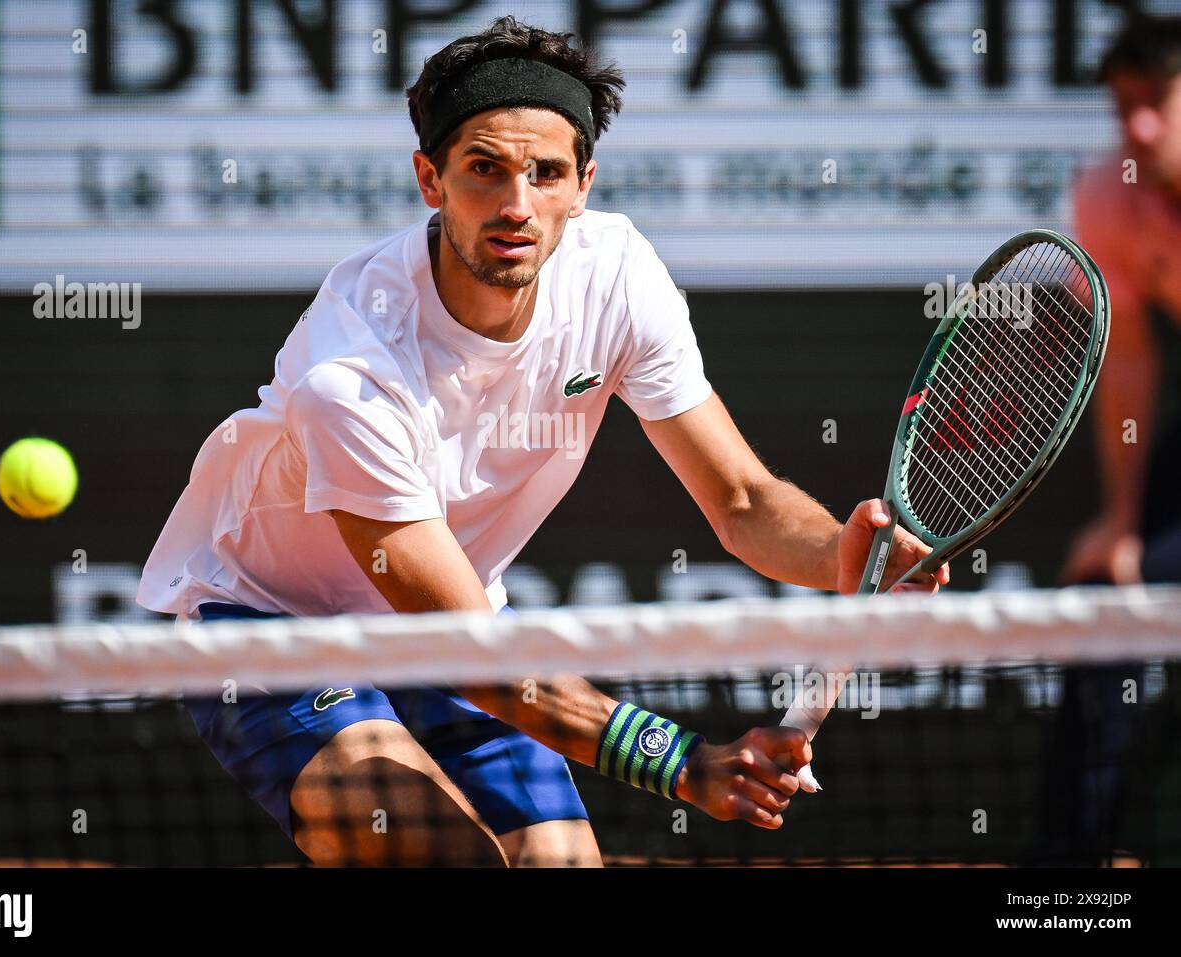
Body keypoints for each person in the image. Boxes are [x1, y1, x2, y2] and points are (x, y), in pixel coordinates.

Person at [137, 15, 945, 867]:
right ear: (430, 179)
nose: (516, 205)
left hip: (457, 625)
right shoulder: (350, 371)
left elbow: (741, 499)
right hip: (274, 629)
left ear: (582, 184)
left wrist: (840, 555)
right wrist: (687, 764)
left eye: (546, 173)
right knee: (441, 855)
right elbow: (475, 657)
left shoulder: (618, 276)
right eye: (484, 170)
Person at [1046, 13, 1181, 866]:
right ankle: (1070, 872)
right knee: (1103, 597)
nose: (1138, 126)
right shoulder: (1106, 194)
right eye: (1122, 106)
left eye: (1160, 102)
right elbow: (1127, 363)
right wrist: (1125, 521)